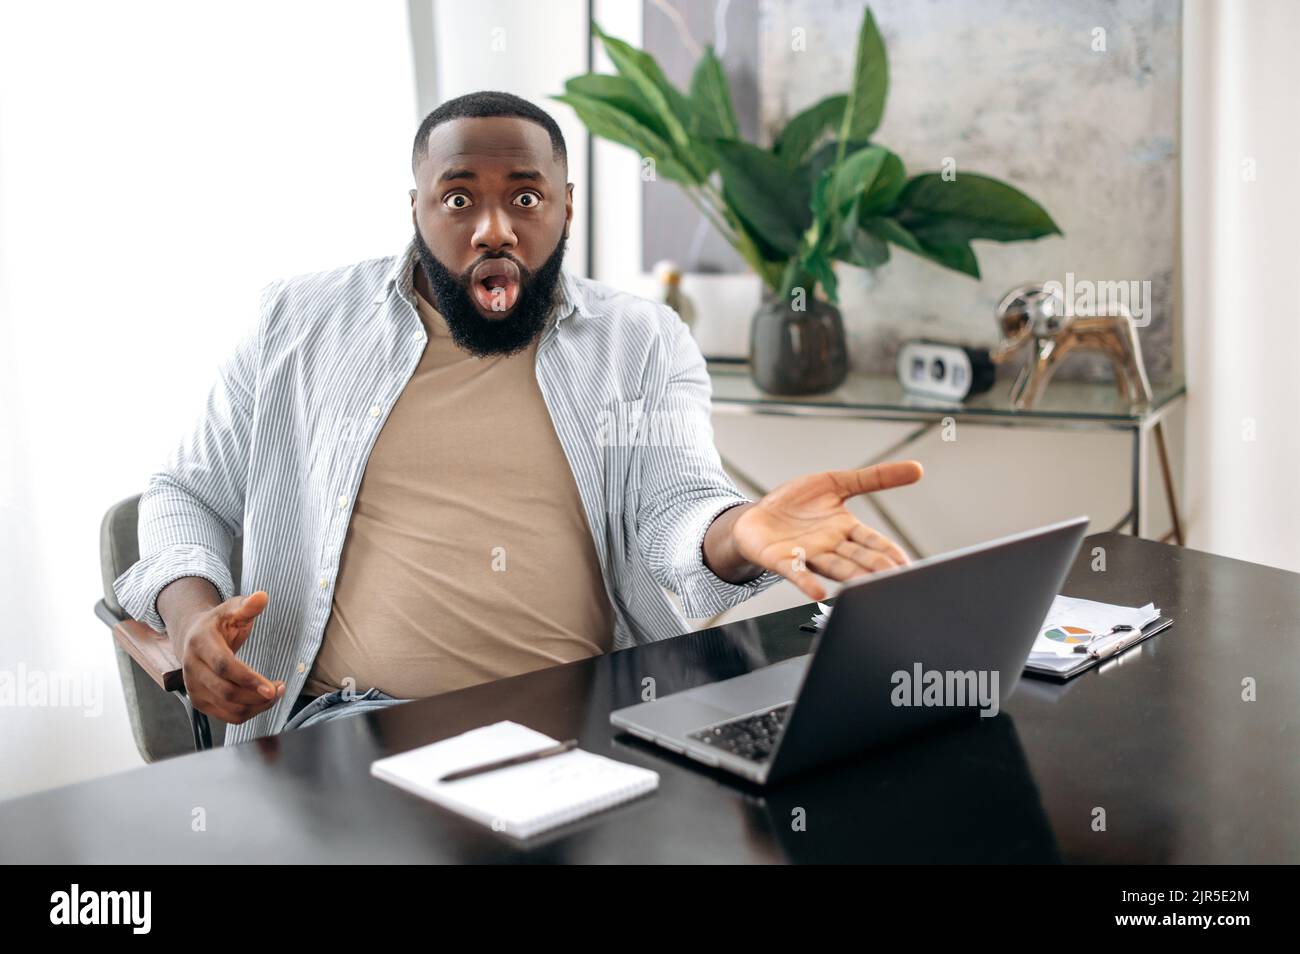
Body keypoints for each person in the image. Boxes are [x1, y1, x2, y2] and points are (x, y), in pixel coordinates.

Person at [114, 91, 923, 742]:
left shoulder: (639, 340)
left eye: (525, 197)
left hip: (597, 719)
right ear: (416, 208)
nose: (493, 228)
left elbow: (676, 504)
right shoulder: (296, 321)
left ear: (566, 209)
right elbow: (186, 492)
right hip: (363, 725)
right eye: (458, 197)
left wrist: (740, 533)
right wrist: (191, 620)